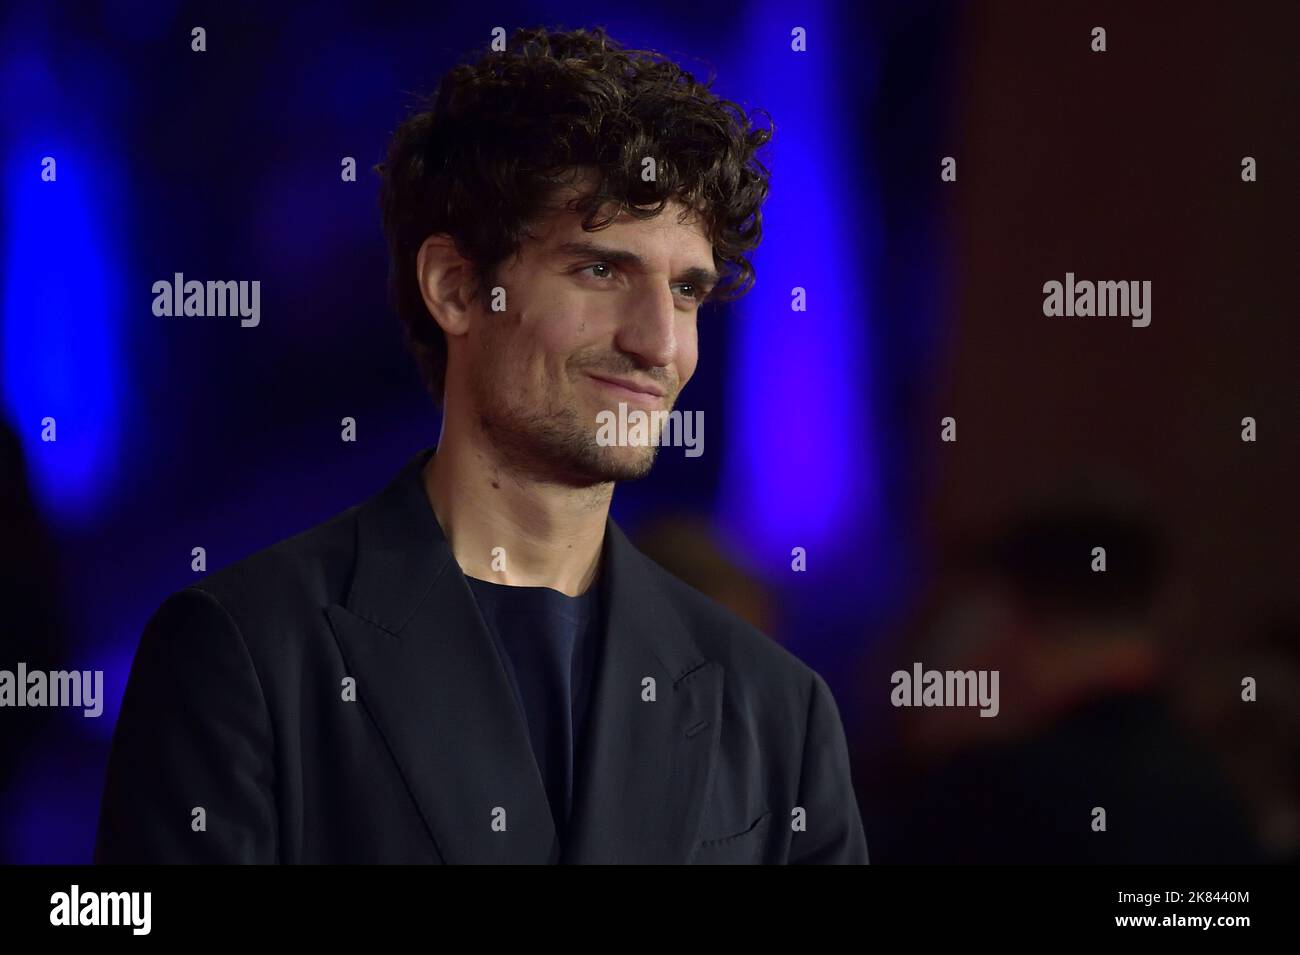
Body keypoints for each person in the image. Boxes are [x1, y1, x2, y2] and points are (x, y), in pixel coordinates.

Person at [94, 25, 868, 865]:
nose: (659, 342)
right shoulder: (245, 654)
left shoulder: (780, 710)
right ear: (456, 288)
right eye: (601, 270)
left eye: (686, 290)